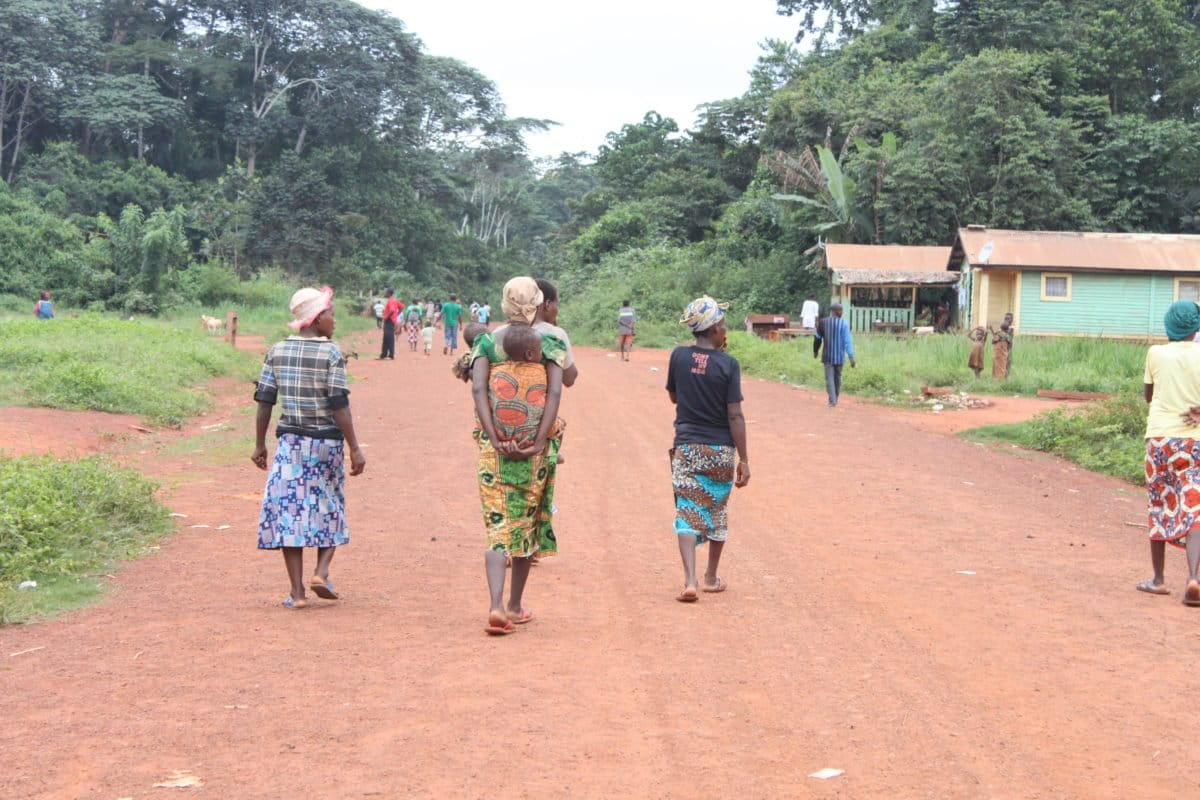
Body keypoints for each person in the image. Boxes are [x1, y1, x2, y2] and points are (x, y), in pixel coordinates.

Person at [251, 287, 366, 609]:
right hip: (326, 443)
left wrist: (259, 445)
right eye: (330, 315)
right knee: (330, 505)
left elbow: (265, 401)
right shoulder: (331, 353)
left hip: (290, 443)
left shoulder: (276, 351)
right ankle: (322, 571)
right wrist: (355, 447)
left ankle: (297, 593)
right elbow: (339, 404)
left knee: (290, 514)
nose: (334, 321)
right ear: (316, 320)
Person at [469, 277, 568, 635]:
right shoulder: (549, 343)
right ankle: (514, 605)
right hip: (533, 451)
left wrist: (494, 436)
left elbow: (478, 389)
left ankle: (496, 605)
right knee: (526, 521)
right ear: (537, 304)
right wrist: (539, 441)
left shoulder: (486, 342)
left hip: (493, 449)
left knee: (498, 525)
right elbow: (554, 393)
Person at [667, 296, 750, 603]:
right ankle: (711, 578)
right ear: (714, 329)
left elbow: (674, 397)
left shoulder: (678, 356)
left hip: (687, 446)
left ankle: (690, 581)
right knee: (717, 510)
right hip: (721, 450)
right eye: (723, 324)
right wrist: (744, 459)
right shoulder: (728, 364)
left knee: (687, 510)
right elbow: (735, 415)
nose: (725, 329)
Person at [1140, 300, 1200, 605]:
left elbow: (1149, 396)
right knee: (1195, 508)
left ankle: (1159, 580)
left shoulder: (1156, 353)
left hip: (1160, 440)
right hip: (1195, 442)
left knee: (1159, 503)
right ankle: (1194, 578)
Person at [813, 303, 856, 407]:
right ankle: (834, 399)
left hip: (828, 356)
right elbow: (847, 341)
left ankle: (833, 400)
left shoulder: (823, 323)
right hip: (839, 356)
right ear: (833, 311)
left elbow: (817, 339)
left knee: (831, 379)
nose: (841, 312)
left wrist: (815, 351)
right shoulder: (844, 324)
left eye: (841, 310)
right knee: (836, 378)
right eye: (839, 310)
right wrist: (851, 357)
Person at [379, 289, 400, 360]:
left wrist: (386, 318)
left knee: (389, 338)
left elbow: (392, 310)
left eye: (386, 292)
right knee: (386, 337)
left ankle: (390, 354)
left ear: (388, 293)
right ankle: (384, 354)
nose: (385, 293)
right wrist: (397, 315)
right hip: (391, 320)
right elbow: (401, 307)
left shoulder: (391, 300)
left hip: (389, 321)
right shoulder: (394, 300)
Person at [991, 313, 1014, 379]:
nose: (1006, 320)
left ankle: (1005, 378)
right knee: (999, 363)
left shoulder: (1010, 330)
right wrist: (992, 330)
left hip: (1007, 349)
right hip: (1000, 350)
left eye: (1008, 319)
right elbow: (995, 337)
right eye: (1005, 318)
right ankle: (998, 377)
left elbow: (1010, 341)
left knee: (1007, 363)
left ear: (1012, 320)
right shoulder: (1001, 329)